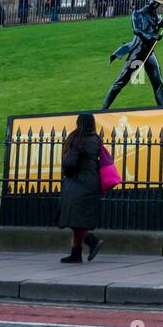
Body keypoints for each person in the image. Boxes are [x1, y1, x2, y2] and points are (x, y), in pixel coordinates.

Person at [101, 0, 163, 110]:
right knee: (121, 82)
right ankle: (103, 109)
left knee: (158, 83)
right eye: (154, 1)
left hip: (149, 54)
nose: (154, 4)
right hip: (137, 54)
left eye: (158, 4)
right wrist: (152, 36)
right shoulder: (138, 14)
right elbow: (137, 31)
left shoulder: (157, 18)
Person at [58, 112, 105, 264]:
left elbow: (70, 163)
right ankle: (75, 253)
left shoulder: (77, 140)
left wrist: (66, 171)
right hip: (92, 182)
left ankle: (92, 241)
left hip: (78, 183)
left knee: (71, 217)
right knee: (78, 218)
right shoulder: (96, 139)